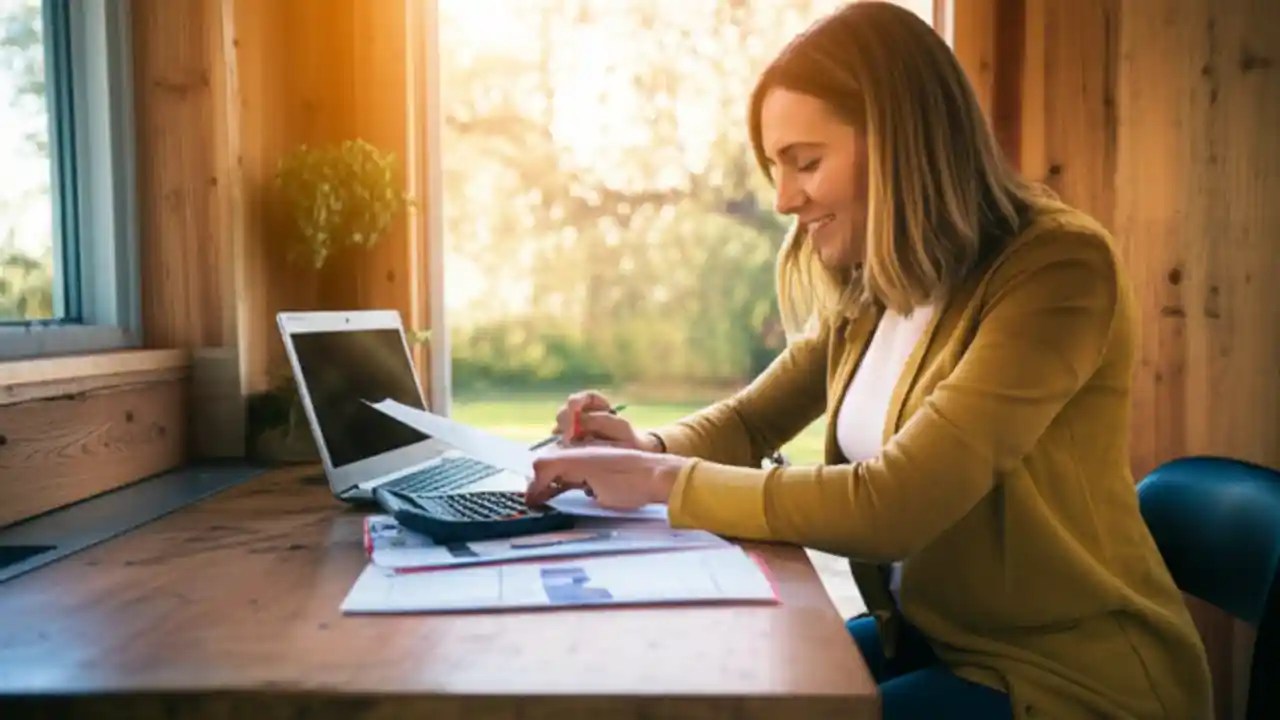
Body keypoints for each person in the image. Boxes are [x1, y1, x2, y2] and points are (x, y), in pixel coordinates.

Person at [524, 2, 1213, 718]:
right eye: (775, 168)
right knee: (723, 685)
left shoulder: (1057, 270)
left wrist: (662, 480)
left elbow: (896, 503)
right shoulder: (884, 280)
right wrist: (642, 446)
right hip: (930, 642)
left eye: (806, 162)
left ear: (899, 141)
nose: (786, 198)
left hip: (1067, 678)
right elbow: (753, 420)